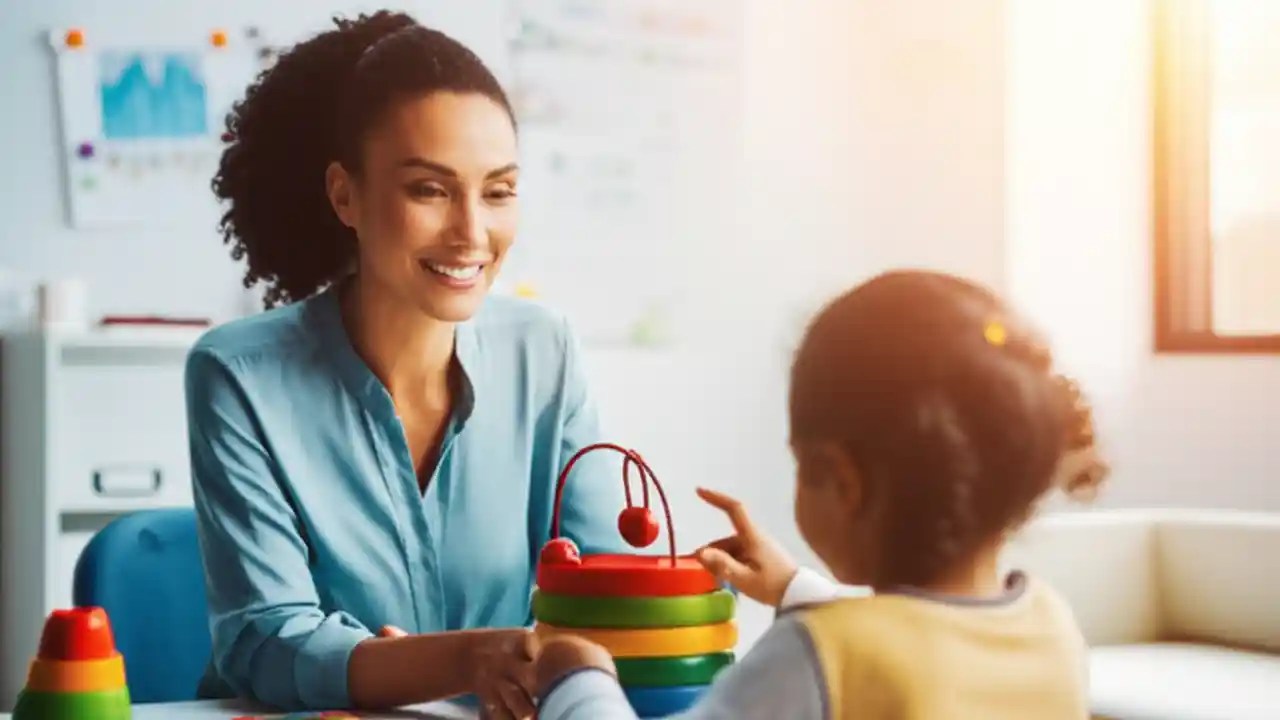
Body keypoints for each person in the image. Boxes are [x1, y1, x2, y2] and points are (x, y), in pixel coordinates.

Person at [187, 12, 625, 718]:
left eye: (499, 190)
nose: (472, 233)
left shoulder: (544, 352)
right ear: (345, 195)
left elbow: (611, 593)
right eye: (430, 189)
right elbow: (266, 641)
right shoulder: (240, 375)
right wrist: (459, 660)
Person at [534, 269, 1109, 719]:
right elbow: (920, 649)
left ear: (841, 480)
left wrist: (579, 682)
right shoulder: (1050, 624)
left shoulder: (813, 654)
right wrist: (791, 587)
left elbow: (863, 657)